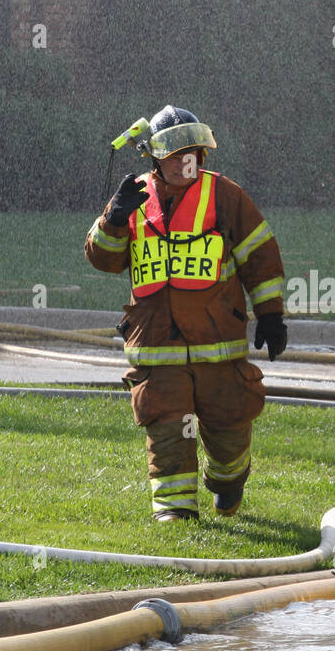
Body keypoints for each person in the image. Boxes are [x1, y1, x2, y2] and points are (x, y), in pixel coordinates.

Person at [85, 106, 288, 521]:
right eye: (175, 153)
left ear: (203, 154)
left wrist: (270, 314)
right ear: (155, 157)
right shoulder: (133, 198)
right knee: (167, 427)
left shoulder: (227, 196)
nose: (185, 161)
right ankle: (174, 513)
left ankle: (228, 479)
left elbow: (260, 256)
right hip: (157, 347)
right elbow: (102, 259)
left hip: (219, 349)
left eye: (191, 152)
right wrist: (113, 220)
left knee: (230, 433)